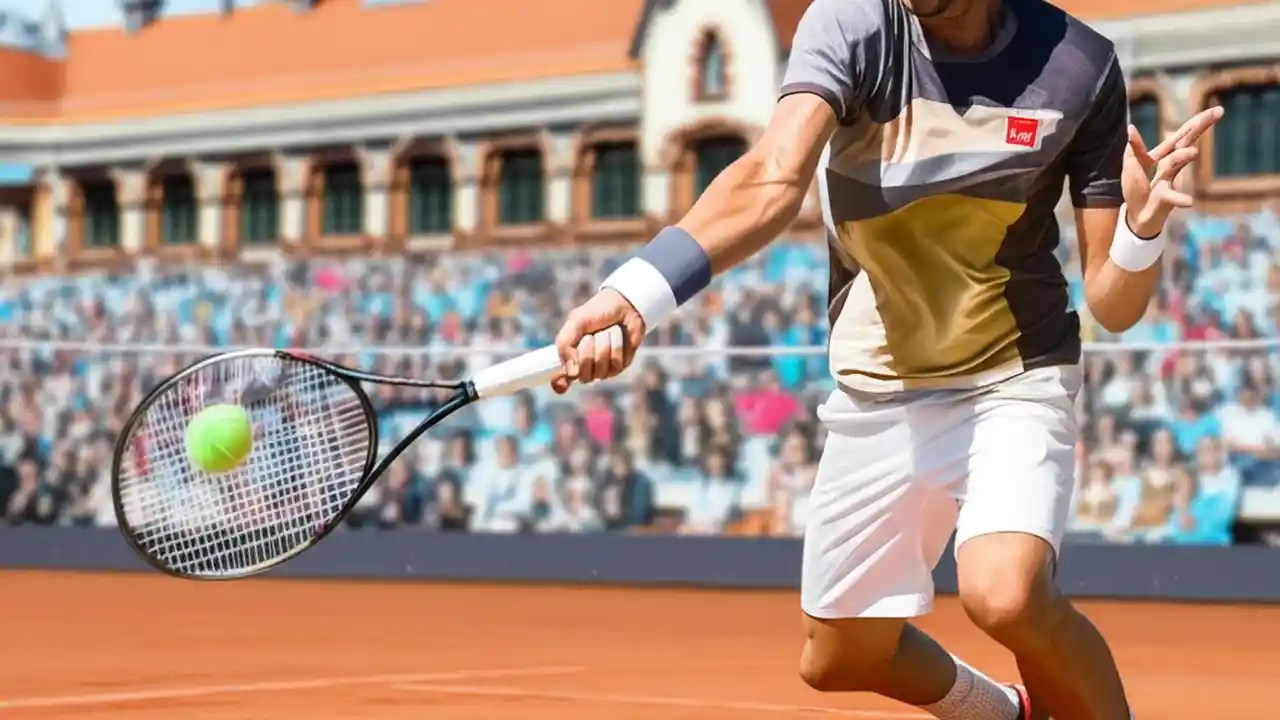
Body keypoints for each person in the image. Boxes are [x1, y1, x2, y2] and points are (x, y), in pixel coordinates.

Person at [547, 0, 1221, 717]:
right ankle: (1001, 711)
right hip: (879, 385)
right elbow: (775, 175)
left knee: (1006, 593)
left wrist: (1141, 232)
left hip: (1012, 373)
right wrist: (638, 291)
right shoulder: (851, 24)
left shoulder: (1080, 64)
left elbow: (1114, 304)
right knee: (838, 658)